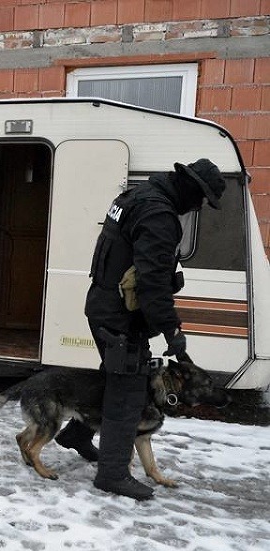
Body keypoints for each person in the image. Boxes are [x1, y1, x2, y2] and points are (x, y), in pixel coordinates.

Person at [71, 158, 226, 500]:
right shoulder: (158, 215)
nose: (199, 206)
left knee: (114, 380)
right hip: (119, 320)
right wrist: (172, 330)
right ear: (190, 187)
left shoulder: (137, 196)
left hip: (103, 306)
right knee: (127, 395)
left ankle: (76, 436)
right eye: (202, 199)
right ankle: (112, 475)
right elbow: (151, 282)